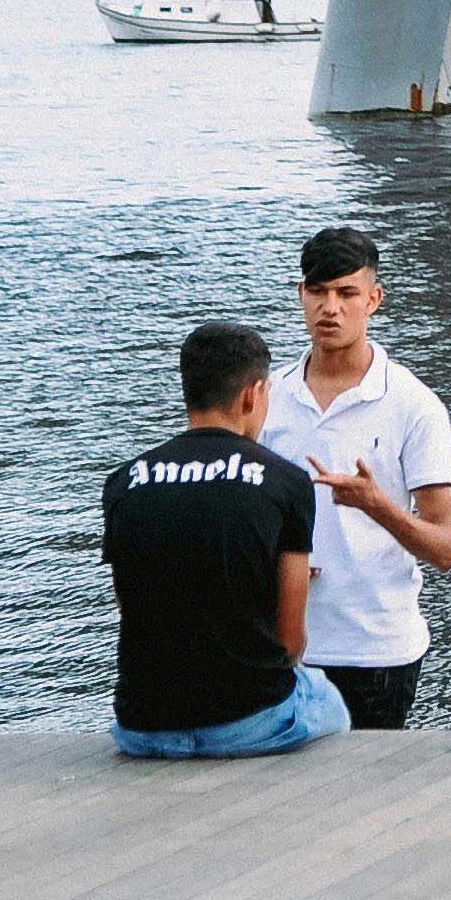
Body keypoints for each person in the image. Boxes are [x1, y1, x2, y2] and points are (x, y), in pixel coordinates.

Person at [102, 322, 350, 759]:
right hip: (249, 723)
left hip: (142, 726)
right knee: (327, 700)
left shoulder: (124, 482)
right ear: (252, 395)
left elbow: (132, 606)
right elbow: (291, 642)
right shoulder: (285, 481)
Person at [259, 223, 451, 729]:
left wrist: (377, 506)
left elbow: (445, 549)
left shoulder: (414, 405)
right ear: (300, 294)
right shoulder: (266, 397)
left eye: (347, 293)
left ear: (373, 299)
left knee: (369, 802)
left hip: (377, 650)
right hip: (281, 641)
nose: (331, 308)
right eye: (319, 292)